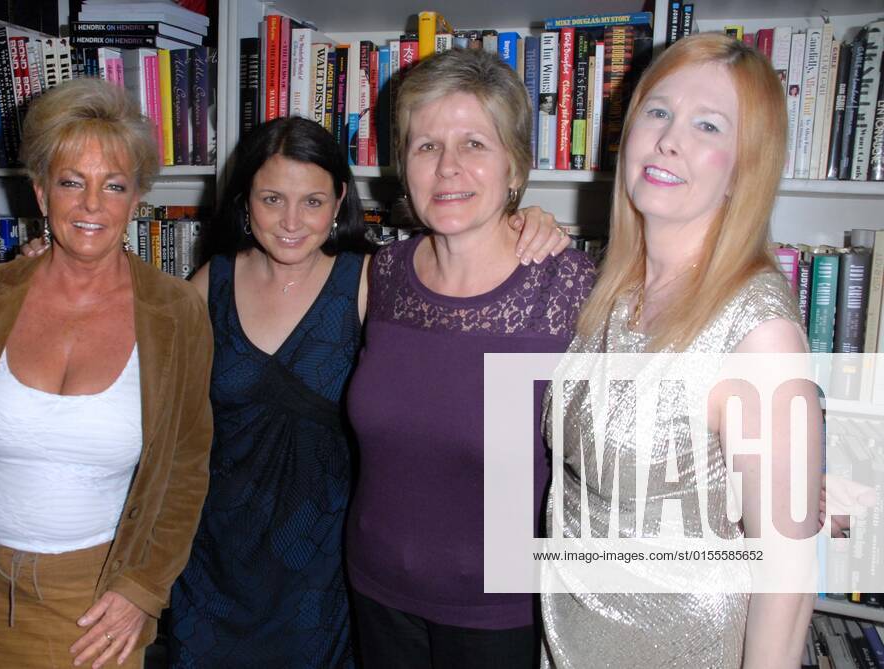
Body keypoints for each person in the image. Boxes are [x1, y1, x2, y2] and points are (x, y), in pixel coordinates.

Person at [162, 114, 568, 668]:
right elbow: (153, 394)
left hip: (324, 573)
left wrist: (524, 220)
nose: (290, 221)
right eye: (271, 198)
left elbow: (463, 275)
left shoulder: (373, 281)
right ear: (244, 201)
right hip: (215, 562)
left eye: (312, 201)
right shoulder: (210, 282)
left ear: (339, 202)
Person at [0, 77, 214, 668]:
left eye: (113, 185)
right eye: (71, 182)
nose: (91, 205)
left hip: (96, 601)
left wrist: (143, 589)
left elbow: (186, 470)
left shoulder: (175, 312)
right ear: (41, 193)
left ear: (136, 198)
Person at [540, 33, 820, 668]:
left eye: (708, 125)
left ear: (743, 168)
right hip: (572, 639)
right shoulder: (618, 288)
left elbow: (789, 571)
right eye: (658, 111)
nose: (669, 139)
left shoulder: (758, 334)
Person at [344, 48, 596, 668]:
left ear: (516, 166)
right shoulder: (383, 275)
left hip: (503, 612)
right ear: (403, 167)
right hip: (375, 592)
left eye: (475, 144)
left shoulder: (570, 287)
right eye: (426, 146)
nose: (448, 167)